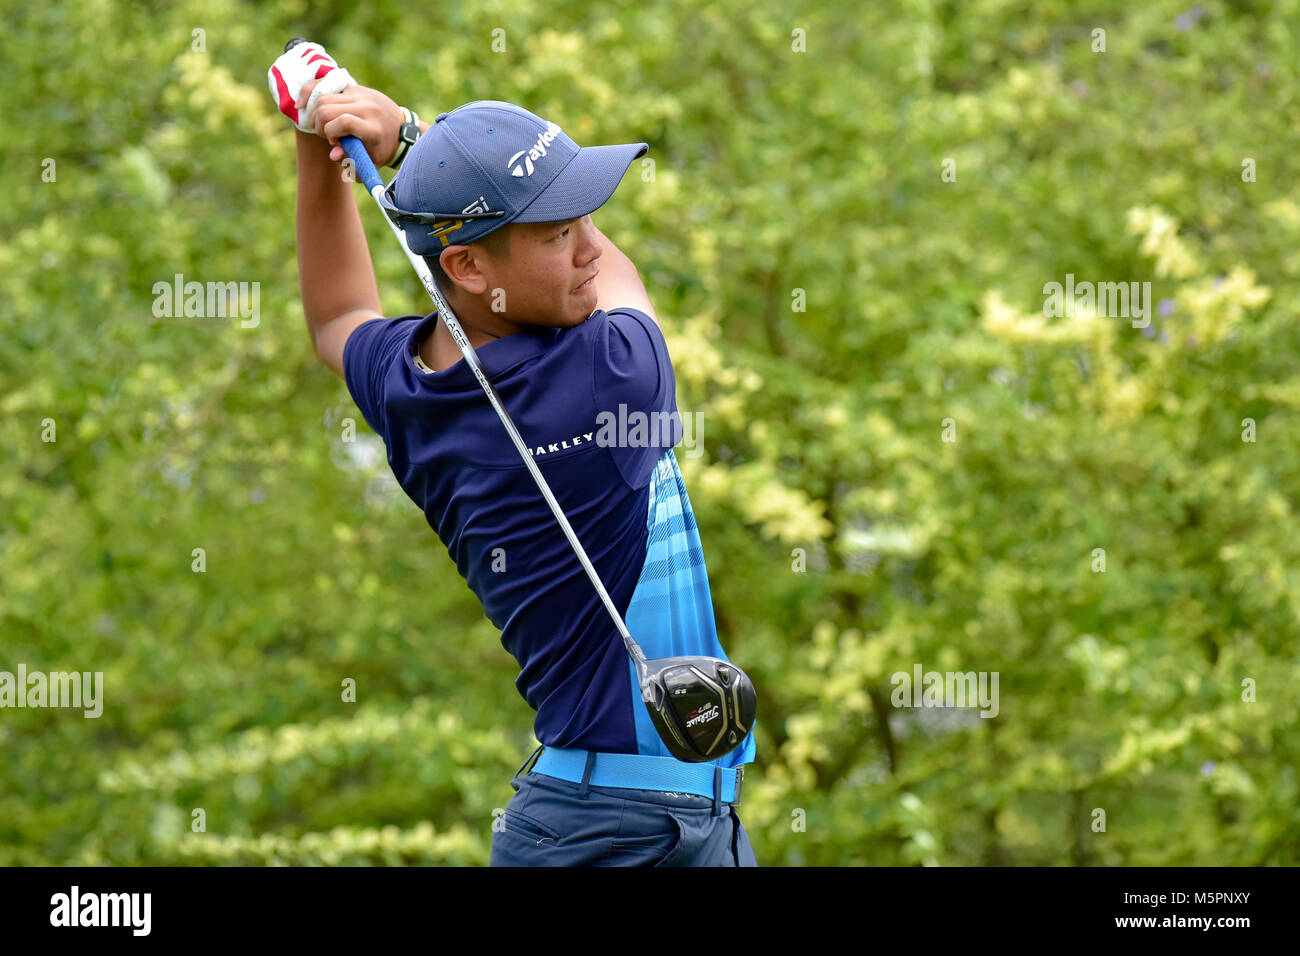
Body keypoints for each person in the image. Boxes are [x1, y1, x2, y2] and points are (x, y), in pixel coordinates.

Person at [269, 41, 757, 866]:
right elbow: (620, 283)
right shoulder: (615, 376)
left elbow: (337, 317)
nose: (590, 249)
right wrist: (408, 138)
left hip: (589, 821)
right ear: (462, 265)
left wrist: (317, 142)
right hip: (625, 835)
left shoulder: (411, 388)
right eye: (560, 230)